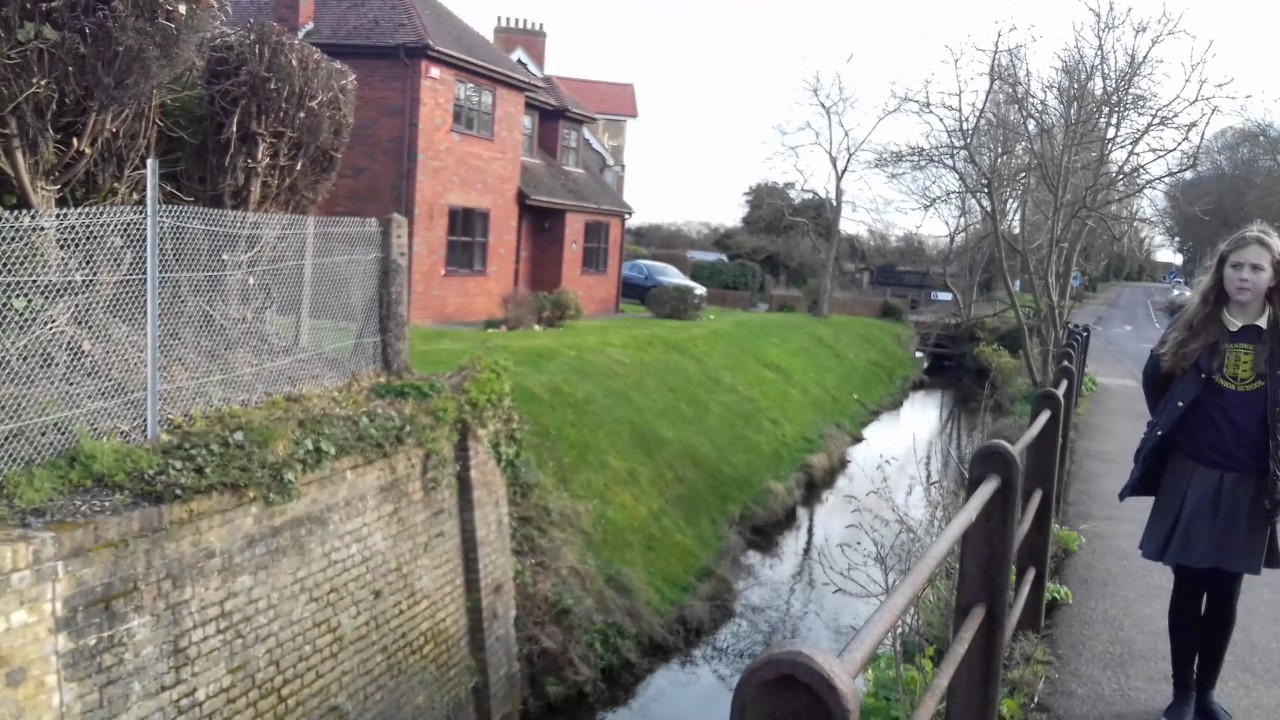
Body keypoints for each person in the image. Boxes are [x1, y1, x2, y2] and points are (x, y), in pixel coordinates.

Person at [1120, 220, 1280, 720]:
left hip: (1250, 482)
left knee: (1226, 590)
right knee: (1189, 586)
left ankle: (1207, 694)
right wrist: (1175, 433)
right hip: (1192, 474)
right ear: (1223, 272)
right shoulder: (1196, 322)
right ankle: (1182, 693)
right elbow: (1155, 375)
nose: (1245, 276)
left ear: (1273, 276)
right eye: (1236, 265)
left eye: (1257, 267)